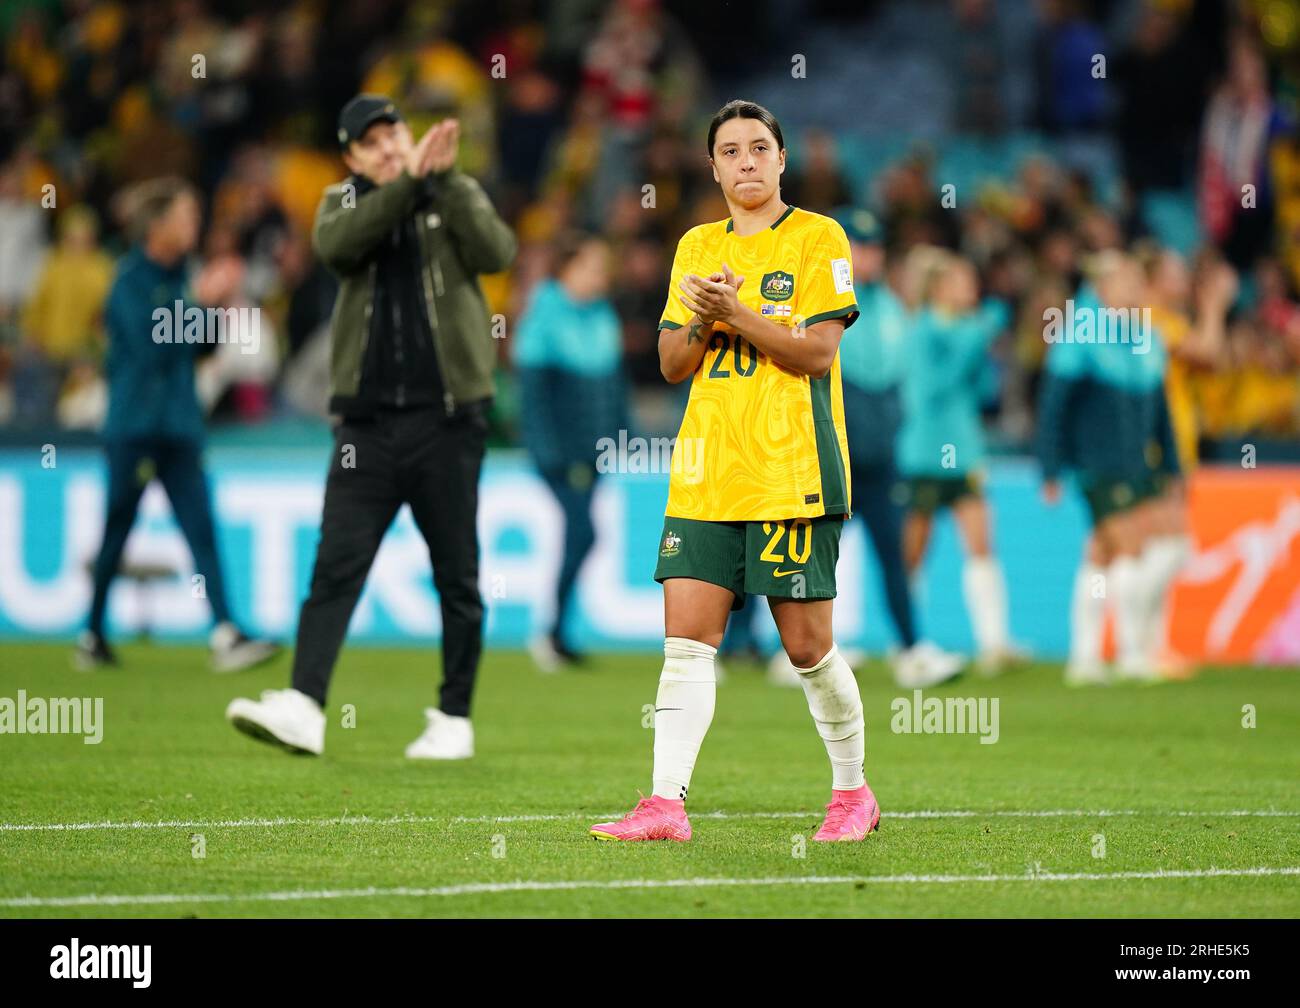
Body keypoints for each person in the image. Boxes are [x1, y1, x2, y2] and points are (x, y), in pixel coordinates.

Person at [590, 100, 878, 843]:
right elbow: (672, 362)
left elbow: (816, 353)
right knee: (685, 643)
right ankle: (664, 804)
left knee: (808, 649)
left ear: (782, 160)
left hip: (793, 471)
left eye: (759, 148)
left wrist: (736, 311)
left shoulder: (820, 238)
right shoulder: (694, 246)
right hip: (706, 470)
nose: (746, 161)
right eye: (729, 150)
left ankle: (853, 795)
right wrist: (704, 317)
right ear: (713, 166)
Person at [226, 95, 516, 757]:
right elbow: (338, 245)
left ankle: (453, 718)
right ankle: (303, 705)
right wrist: (414, 181)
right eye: (373, 143)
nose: (389, 149)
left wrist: (447, 181)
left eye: (395, 136)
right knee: (336, 565)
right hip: (367, 427)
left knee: (457, 574)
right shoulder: (343, 202)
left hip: (448, 421)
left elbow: (497, 251)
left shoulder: (450, 190)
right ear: (351, 157)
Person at [77, 177, 278, 673]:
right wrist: (200, 306)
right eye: (185, 216)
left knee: (200, 530)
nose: (194, 225)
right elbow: (153, 347)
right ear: (158, 226)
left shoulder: (180, 277)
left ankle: (225, 631)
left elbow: (202, 348)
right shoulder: (129, 282)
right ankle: (93, 632)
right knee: (118, 529)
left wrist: (212, 308)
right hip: (136, 429)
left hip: (180, 426)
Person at [833, 208, 963, 688]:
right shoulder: (818, 302)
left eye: (873, 249)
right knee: (813, 557)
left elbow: (900, 383)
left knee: (892, 554)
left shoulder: (890, 308)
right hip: (835, 456)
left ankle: (911, 649)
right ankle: (799, 651)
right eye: (858, 248)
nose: (867, 257)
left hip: (881, 459)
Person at [1038, 251, 1179, 685]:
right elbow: (1054, 408)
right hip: (1097, 462)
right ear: (1102, 287)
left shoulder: (1144, 336)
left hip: (1134, 464)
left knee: (1099, 556)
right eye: (1125, 283)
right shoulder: (1081, 334)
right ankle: (1131, 652)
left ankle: (1085, 657)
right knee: (1130, 550)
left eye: (1137, 283)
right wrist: (1050, 468)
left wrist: (1170, 464)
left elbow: (1160, 410)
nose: (1134, 291)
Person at [895, 248, 1022, 674]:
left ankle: (994, 643)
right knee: (914, 553)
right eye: (963, 282)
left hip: (963, 450)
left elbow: (983, 390)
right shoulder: (921, 330)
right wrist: (976, 338)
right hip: (925, 453)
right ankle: (907, 641)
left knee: (982, 543)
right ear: (940, 289)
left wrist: (981, 346)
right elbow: (931, 388)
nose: (972, 290)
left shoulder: (964, 331)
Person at [515, 231, 626, 670]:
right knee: (583, 532)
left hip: (593, 451)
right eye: (593, 266)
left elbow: (614, 390)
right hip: (565, 455)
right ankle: (552, 632)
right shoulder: (544, 318)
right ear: (568, 269)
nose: (602, 275)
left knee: (579, 535)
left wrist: (625, 435)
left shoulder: (601, 316)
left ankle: (556, 632)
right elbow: (534, 399)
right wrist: (550, 454)